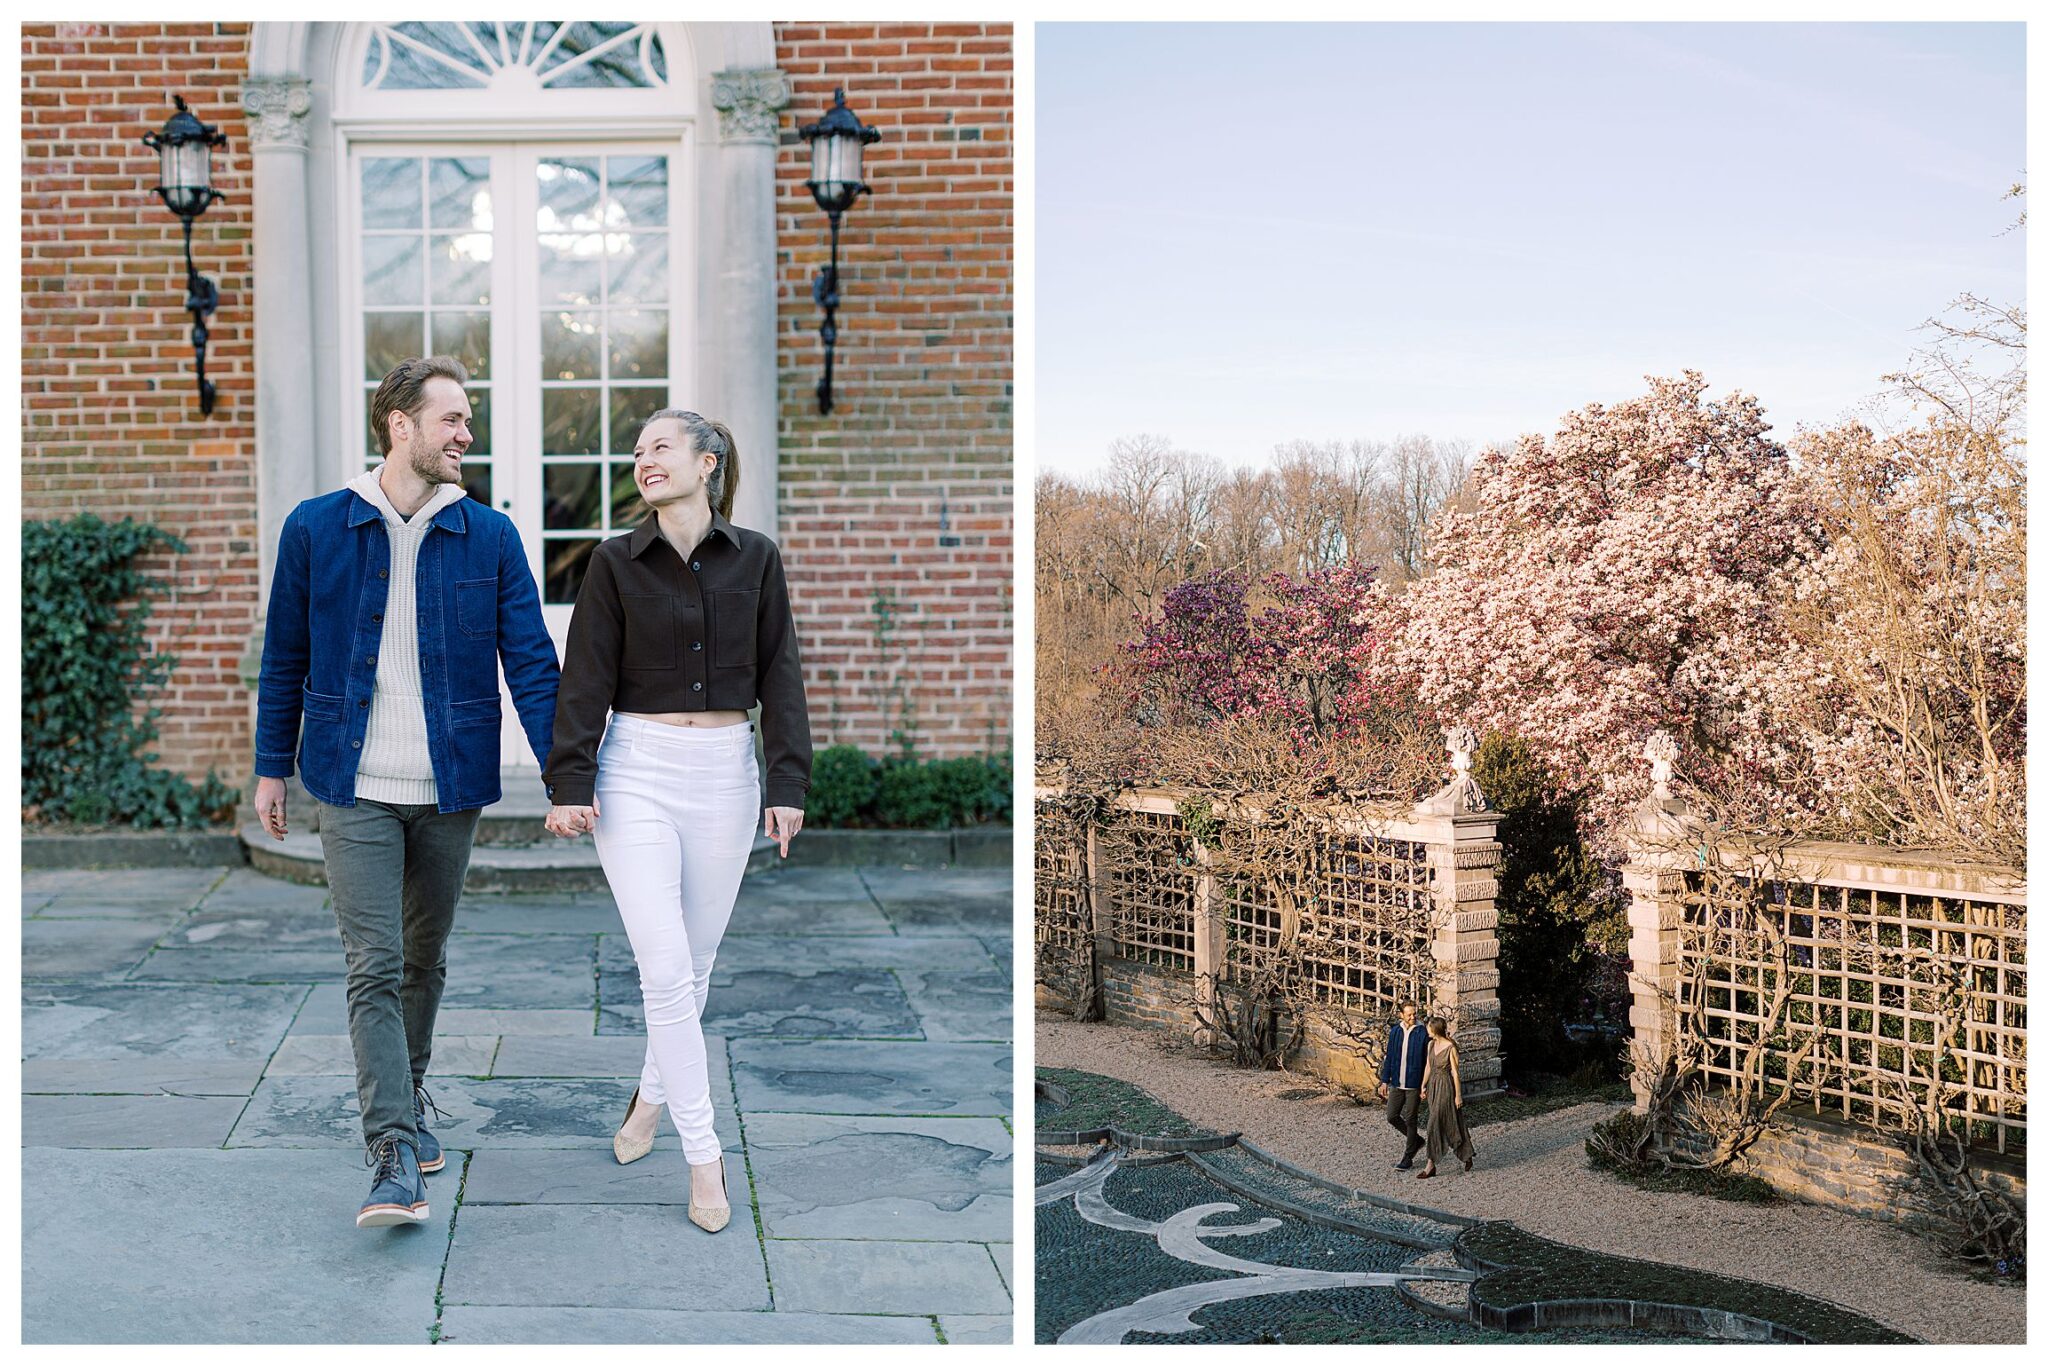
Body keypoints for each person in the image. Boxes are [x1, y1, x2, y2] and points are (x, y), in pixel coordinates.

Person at [253, 356, 560, 1229]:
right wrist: (273, 764)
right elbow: (286, 659)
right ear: (400, 426)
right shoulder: (316, 529)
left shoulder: (489, 536)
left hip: (451, 785)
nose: (468, 434)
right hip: (350, 784)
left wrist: (562, 770)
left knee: (424, 961)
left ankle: (410, 1088)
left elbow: (532, 664)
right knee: (375, 965)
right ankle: (390, 1150)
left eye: (468, 420)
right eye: (453, 419)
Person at [542, 409, 811, 1233]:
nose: (642, 459)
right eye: (636, 451)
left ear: (708, 461)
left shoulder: (756, 558)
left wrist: (788, 781)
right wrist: (570, 781)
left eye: (660, 446)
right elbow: (583, 676)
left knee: (693, 972)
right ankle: (706, 1157)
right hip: (639, 776)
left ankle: (647, 1103)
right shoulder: (614, 564)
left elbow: (782, 673)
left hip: (726, 779)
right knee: (665, 973)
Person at [1417, 1015, 1476, 1179]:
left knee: (1432, 1124)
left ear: (1434, 1029)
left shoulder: (1450, 1047)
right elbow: (1428, 1066)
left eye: (1429, 1027)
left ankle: (1430, 1165)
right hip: (1433, 1086)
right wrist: (1423, 1085)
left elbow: (1455, 1073)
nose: (1427, 1029)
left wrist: (1458, 1095)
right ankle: (1467, 1154)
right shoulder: (1430, 1044)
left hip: (1446, 1087)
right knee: (1451, 1121)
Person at [1376, 998, 1429, 1170]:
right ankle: (1417, 1141)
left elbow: (1427, 1060)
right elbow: (1390, 1057)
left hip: (1414, 1084)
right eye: (1409, 1014)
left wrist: (1424, 1085)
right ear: (1401, 1015)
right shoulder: (1395, 1032)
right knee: (1392, 1116)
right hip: (1397, 1082)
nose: (1412, 1017)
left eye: (1414, 1014)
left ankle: (1408, 1157)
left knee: (1411, 1119)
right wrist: (1384, 1080)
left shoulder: (1422, 1032)